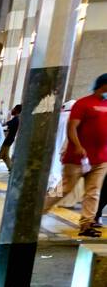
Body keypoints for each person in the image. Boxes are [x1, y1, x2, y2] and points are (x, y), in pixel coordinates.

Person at [45, 73, 107, 237]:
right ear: (103, 85)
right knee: (65, 188)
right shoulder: (83, 104)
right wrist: (78, 146)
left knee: (93, 192)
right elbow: (72, 128)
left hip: (100, 159)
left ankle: (86, 225)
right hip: (77, 158)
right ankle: (38, 212)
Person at [0, 104, 21, 170]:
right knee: (5, 156)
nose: (12, 110)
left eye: (14, 108)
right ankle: (11, 169)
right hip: (9, 140)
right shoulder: (16, 119)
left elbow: (6, 124)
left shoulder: (16, 119)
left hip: (7, 140)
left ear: (16, 110)